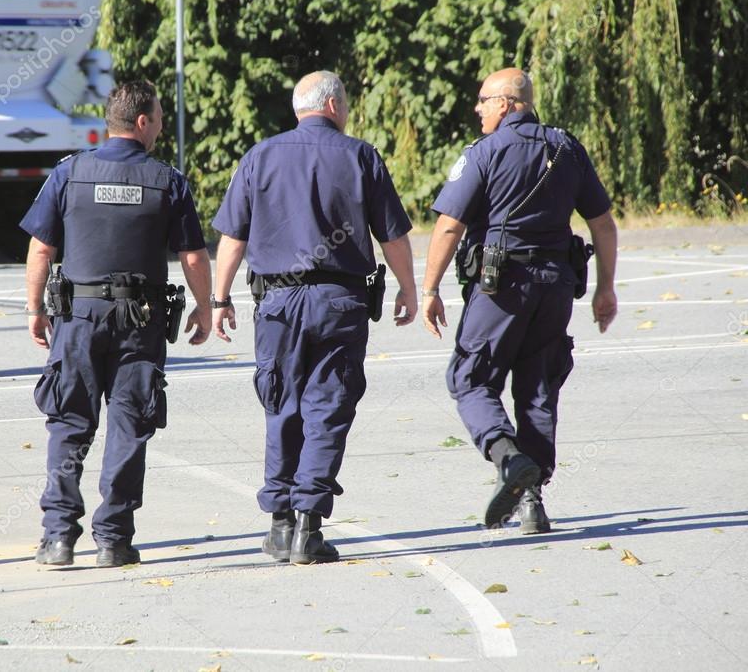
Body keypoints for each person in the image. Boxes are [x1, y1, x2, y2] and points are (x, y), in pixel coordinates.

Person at [212, 71, 418, 565]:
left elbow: (232, 237)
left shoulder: (260, 155)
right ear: (332, 105)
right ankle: (308, 525)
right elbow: (391, 235)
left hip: (278, 307)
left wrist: (219, 299)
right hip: (338, 303)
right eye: (345, 104)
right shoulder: (360, 156)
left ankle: (280, 524)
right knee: (327, 407)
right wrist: (410, 288)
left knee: (280, 403)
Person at [20, 80, 212, 568]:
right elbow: (192, 254)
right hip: (139, 321)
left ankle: (59, 538)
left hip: (77, 319)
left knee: (69, 425)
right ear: (142, 122)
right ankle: (113, 540)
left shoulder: (69, 173)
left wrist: (35, 309)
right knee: (129, 425)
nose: (163, 125)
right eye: (160, 117)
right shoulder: (167, 180)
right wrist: (205, 305)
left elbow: (41, 248)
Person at [421, 68, 618, 533]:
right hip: (555, 286)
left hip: (501, 287)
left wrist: (429, 290)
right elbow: (603, 223)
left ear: (508, 103)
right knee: (538, 388)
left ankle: (506, 457)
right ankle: (531, 501)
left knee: (470, 379)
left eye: (484, 100)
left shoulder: (484, 153)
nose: (478, 108)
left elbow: (449, 225)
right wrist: (606, 287)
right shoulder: (567, 148)